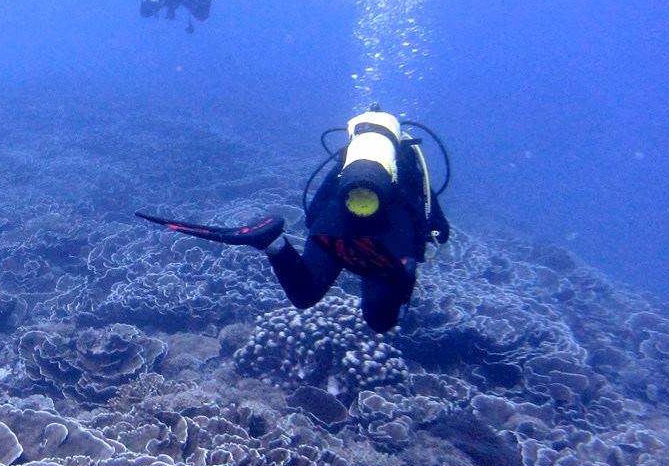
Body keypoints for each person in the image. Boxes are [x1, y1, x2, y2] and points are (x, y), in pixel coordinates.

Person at [137, 108, 451, 333]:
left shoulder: (348, 159)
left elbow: (315, 210)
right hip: (389, 241)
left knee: (305, 294)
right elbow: (437, 227)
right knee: (380, 322)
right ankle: (396, 275)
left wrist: (327, 239)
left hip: (335, 225)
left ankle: (273, 243)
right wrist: (414, 254)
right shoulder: (411, 163)